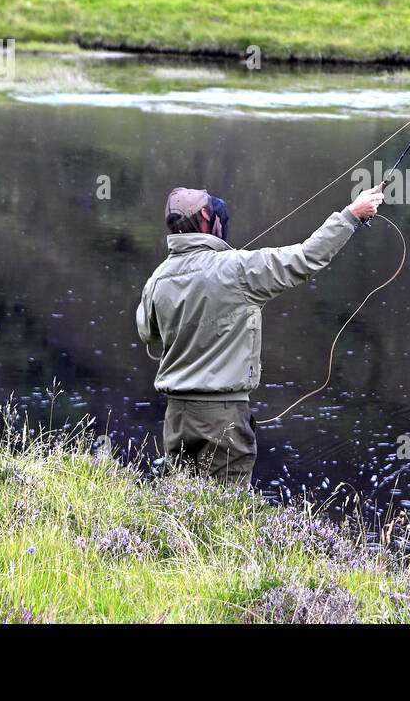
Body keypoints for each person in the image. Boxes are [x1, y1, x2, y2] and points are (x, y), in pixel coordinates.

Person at [137, 184, 384, 484]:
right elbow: (306, 258)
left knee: (180, 507)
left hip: (176, 419)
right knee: (226, 517)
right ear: (205, 217)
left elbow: (147, 334)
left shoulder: (157, 279)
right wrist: (351, 216)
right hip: (223, 417)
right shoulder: (238, 268)